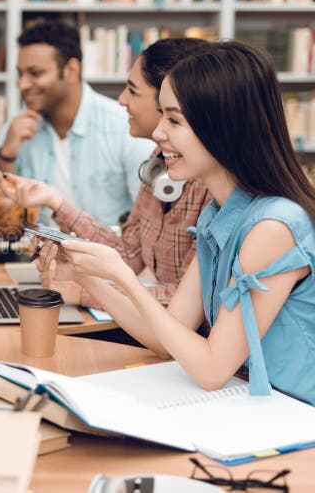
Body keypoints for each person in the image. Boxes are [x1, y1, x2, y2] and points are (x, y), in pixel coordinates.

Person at [36, 41, 315, 404]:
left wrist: (121, 274)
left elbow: (213, 370)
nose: (158, 133)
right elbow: (165, 338)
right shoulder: (218, 215)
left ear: (222, 127)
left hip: (294, 415)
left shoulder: (273, 228)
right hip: (252, 404)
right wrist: (85, 276)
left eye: (174, 120)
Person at [0, 37, 212, 308]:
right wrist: (56, 203)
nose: (121, 100)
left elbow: (188, 303)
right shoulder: (158, 159)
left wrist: (85, 293)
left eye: (133, 91)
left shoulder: (212, 182)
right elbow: (128, 254)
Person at [0, 20, 155, 225]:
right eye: (20, 74)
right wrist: (6, 156)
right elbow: (4, 224)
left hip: (106, 245)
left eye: (35, 73)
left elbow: (146, 223)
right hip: (35, 246)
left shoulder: (125, 127)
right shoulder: (14, 131)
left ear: (71, 70)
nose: (22, 84)